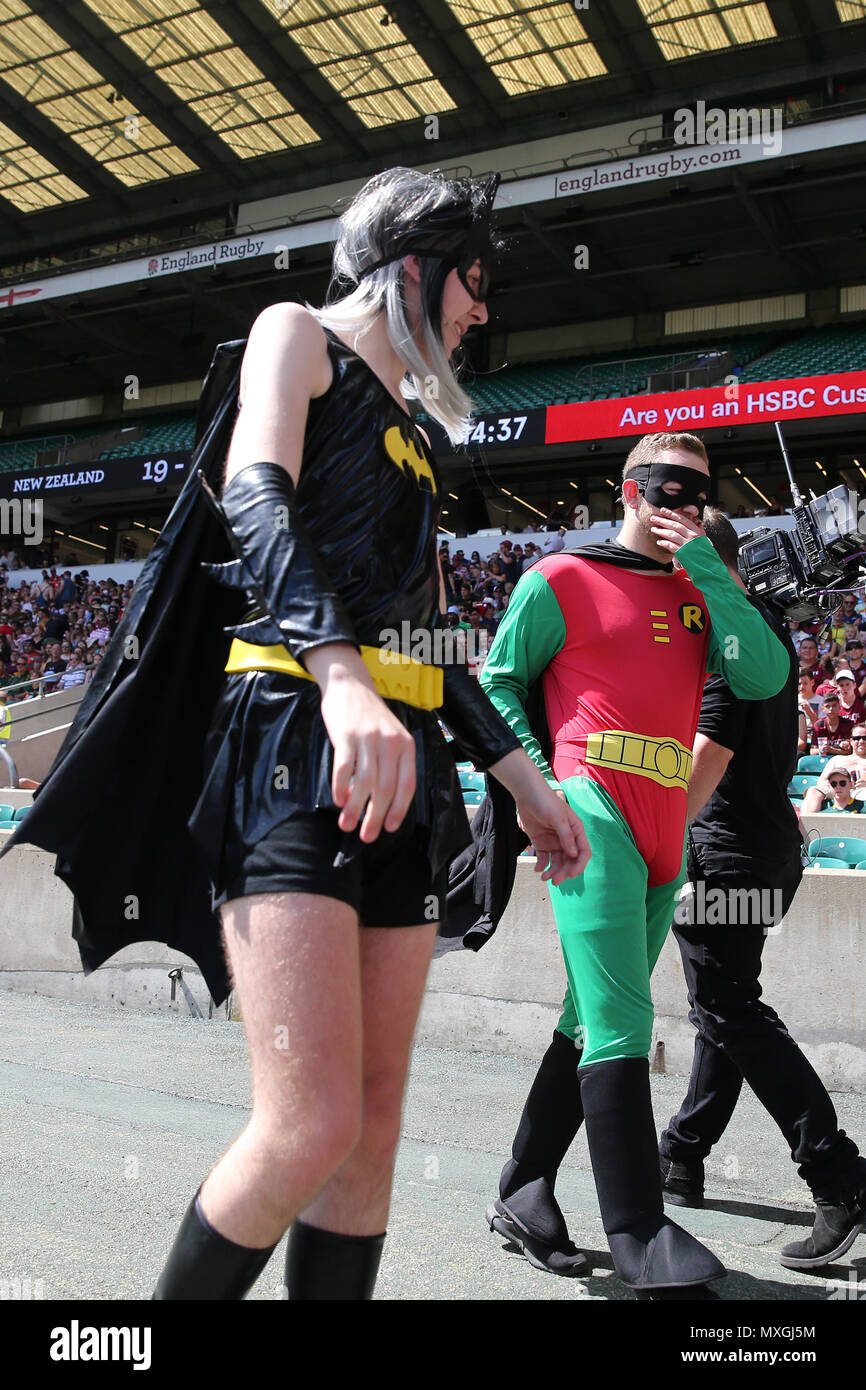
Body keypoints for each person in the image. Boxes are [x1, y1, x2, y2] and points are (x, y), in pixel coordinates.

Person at [6, 167, 591, 1304]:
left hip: (401, 764)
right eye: (476, 280)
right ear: (416, 262)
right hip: (289, 733)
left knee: (369, 1131)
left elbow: (428, 640)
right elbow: (254, 497)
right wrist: (338, 679)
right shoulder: (296, 333)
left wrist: (519, 776)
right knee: (307, 1122)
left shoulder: (421, 438)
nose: (482, 309)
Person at [479, 434, 789, 1297]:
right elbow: (496, 683)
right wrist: (539, 795)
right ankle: (640, 1229)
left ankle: (522, 1187)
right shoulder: (560, 578)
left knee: (587, 1016)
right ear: (626, 489)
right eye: (665, 488)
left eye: (697, 493)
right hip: (590, 805)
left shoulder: (703, 592)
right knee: (623, 1018)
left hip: (665, 822)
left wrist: (714, 575)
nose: (680, 505)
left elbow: (760, 676)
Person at [659, 510, 866, 1269]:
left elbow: (709, 750)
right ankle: (682, 1153)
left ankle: (840, 1177)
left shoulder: (725, 640)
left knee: (730, 1009)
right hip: (768, 851)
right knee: (727, 1002)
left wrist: (661, 840)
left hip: (726, 856)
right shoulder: (768, 629)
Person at [810, 689, 854, 754]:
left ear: (839, 707)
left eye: (834, 705)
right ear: (823, 709)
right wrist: (822, 749)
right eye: (827, 706)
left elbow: (849, 751)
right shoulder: (818, 725)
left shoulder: (848, 724)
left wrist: (831, 750)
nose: (831, 709)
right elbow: (812, 751)